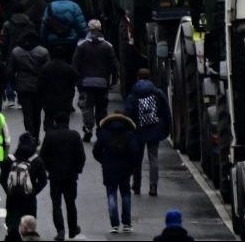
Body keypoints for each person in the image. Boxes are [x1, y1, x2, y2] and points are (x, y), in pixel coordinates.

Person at [91, 104, 139, 235]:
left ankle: (114, 224)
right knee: (125, 194)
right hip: (125, 168)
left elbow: (96, 151)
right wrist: (132, 165)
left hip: (109, 168)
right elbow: (135, 152)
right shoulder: (129, 134)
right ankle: (127, 223)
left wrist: (104, 161)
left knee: (111, 194)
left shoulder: (104, 134)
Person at [39, 115, 87, 239]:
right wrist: (78, 169)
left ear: (55, 121)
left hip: (55, 176)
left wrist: (48, 169)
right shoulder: (75, 135)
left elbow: (43, 156)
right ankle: (72, 229)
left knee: (56, 204)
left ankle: (60, 229)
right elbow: (81, 156)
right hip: (71, 176)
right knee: (71, 203)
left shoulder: (50, 136)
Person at [124, 69, 170, 198]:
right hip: (154, 130)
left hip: (138, 131)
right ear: (150, 78)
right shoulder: (158, 93)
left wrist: (128, 130)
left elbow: (127, 112)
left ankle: (137, 185)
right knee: (153, 158)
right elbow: (166, 112)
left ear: (138, 78)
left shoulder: (133, 94)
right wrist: (166, 129)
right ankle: (153, 186)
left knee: (137, 158)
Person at [72, 24, 116, 140]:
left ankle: (88, 128)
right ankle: (101, 129)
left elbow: (75, 64)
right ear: (100, 29)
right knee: (101, 108)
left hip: (85, 83)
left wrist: (77, 81)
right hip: (102, 83)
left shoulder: (81, 46)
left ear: (89, 29)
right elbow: (113, 65)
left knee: (87, 107)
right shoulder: (107, 46)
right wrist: (112, 80)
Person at [3, 133, 46, 236]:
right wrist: (32, 192)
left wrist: (9, 190)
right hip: (29, 200)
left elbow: (2, 179)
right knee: (28, 229)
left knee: (12, 227)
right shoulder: (36, 161)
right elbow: (43, 181)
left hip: (12, 199)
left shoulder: (10, 160)